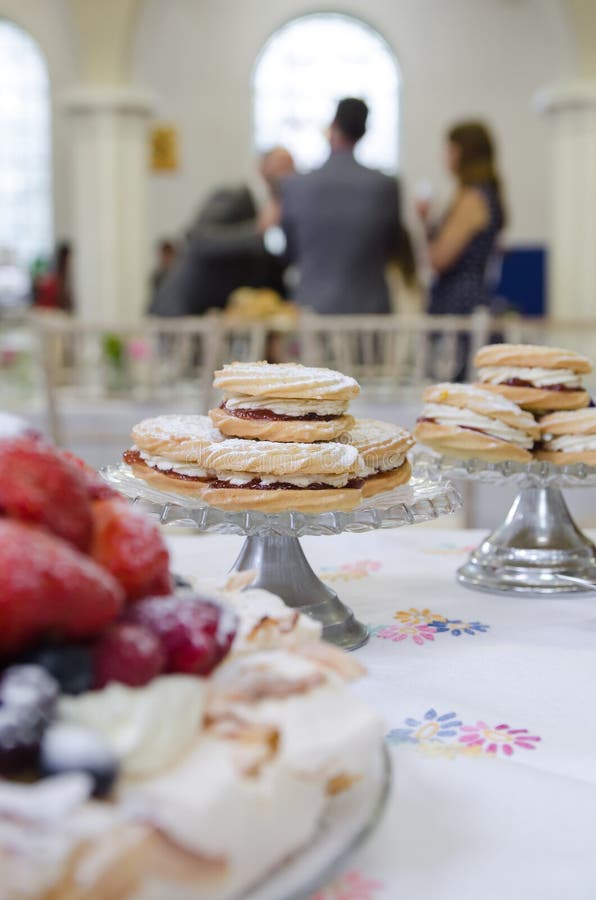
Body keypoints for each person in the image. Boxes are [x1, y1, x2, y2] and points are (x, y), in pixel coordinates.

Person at [281, 97, 414, 314]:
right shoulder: (385, 186)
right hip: (369, 311)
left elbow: (290, 252)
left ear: (333, 126)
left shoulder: (295, 186)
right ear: (364, 132)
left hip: (311, 308)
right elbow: (392, 246)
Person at [150, 185, 283, 316]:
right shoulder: (236, 198)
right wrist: (257, 230)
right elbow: (199, 238)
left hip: (208, 319)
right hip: (176, 310)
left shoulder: (272, 247)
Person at [417, 121, 506, 316]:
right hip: (468, 299)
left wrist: (425, 222)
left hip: (460, 305)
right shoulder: (486, 194)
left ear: (461, 153)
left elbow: (440, 259)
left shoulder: (472, 199)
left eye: (449, 150)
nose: (444, 157)